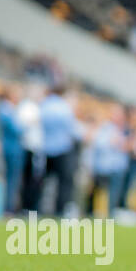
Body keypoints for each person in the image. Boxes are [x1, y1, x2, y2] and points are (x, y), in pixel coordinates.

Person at [39, 85, 81, 215]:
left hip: (47, 148)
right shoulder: (63, 107)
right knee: (64, 182)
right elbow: (72, 128)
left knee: (45, 181)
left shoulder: (44, 105)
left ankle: (38, 208)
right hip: (62, 148)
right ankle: (61, 209)